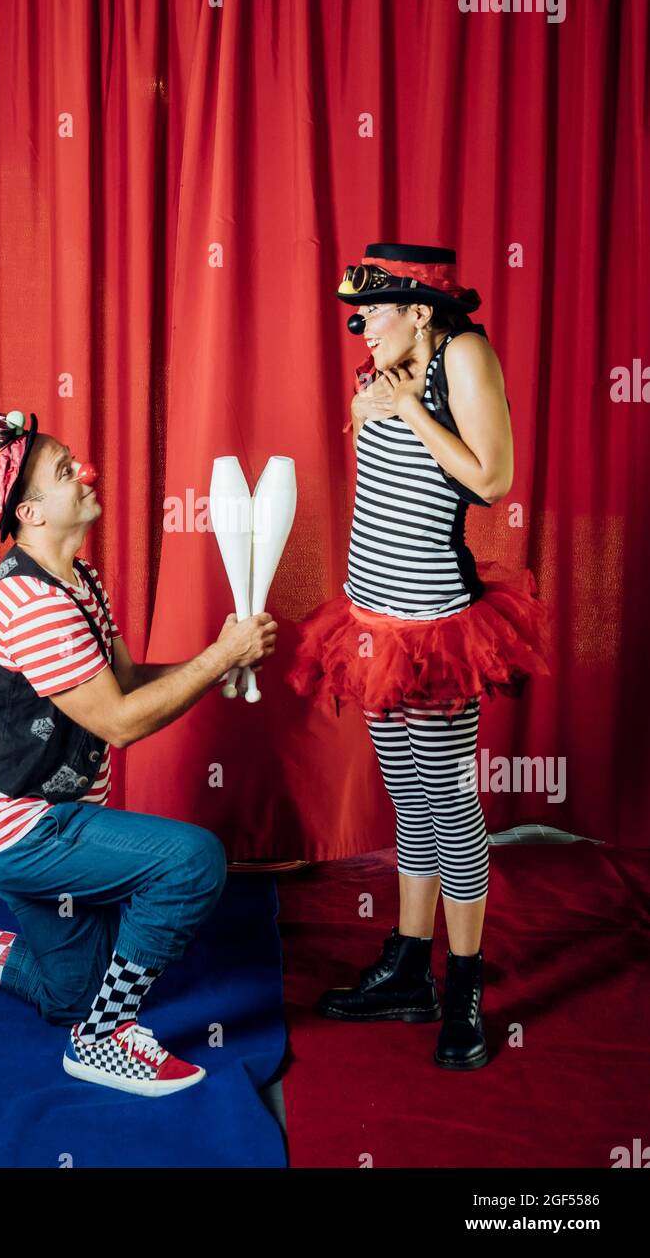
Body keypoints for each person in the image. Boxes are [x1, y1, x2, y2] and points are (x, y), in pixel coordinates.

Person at [0, 410, 277, 1097]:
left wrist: (217, 665)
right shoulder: (32, 604)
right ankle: (106, 1041)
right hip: (26, 832)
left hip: (45, 823)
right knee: (195, 861)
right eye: (64, 471)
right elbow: (116, 722)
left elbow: (121, 682)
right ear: (30, 511)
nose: (85, 471)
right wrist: (216, 658)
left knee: (71, 994)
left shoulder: (80, 580)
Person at [285, 243, 552, 1070]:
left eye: (375, 311)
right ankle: (409, 965)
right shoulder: (387, 372)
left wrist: (411, 413)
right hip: (370, 620)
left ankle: (464, 982)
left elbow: (494, 478)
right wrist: (383, 407)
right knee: (409, 798)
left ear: (422, 313)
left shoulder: (463, 357)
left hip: (434, 626)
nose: (361, 326)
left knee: (448, 804)